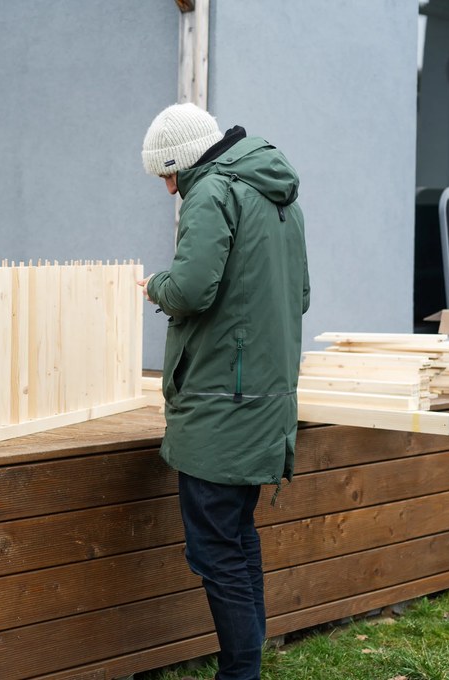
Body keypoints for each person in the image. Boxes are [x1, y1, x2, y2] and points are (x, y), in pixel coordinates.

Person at [138, 103, 310, 680]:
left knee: (215, 549)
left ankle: (240, 672)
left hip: (221, 403)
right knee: (236, 538)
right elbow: (300, 294)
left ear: (184, 160)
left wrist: (153, 285)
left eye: (167, 173)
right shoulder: (276, 194)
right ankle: (247, 666)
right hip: (264, 398)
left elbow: (189, 289)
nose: (167, 188)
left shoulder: (211, 192)